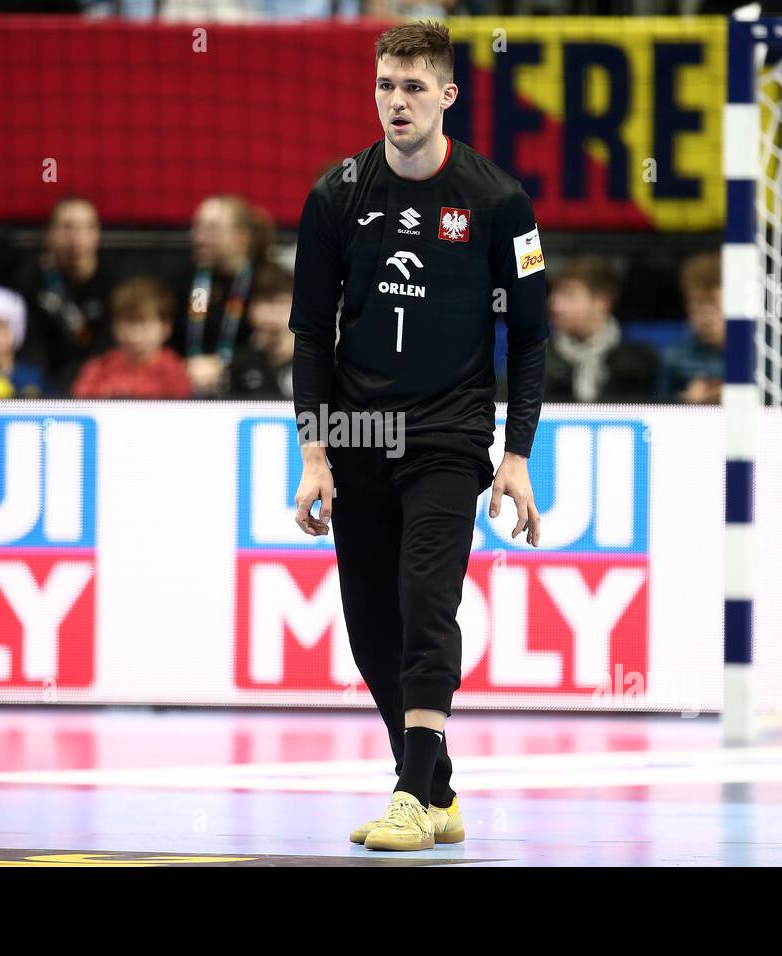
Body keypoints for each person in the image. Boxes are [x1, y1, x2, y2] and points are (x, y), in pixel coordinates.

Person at [289, 20, 548, 852]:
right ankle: (437, 791)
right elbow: (308, 334)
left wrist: (515, 455)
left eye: (411, 87)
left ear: (446, 95)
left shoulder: (499, 200)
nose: (395, 102)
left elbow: (532, 336)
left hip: (449, 430)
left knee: (426, 596)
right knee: (370, 625)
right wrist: (314, 453)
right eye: (384, 86)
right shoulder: (335, 195)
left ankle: (408, 794)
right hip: (358, 430)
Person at [169, 195, 272, 397]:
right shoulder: (185, 281)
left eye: (212, 229)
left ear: (242, 236)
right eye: (197, 227)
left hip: (249, 389)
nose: (199, 238)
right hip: (185, 387)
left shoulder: (265, 282)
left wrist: (225, 365)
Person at [16, 196, 118, 393]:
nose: (75, 237)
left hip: (98, 383)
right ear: (49, 234)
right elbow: (29, 346)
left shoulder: (113, 283)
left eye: (83, 227)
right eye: (66, 227)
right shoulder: (30, 281)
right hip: (43, 381)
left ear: (96, 234)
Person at [543, 256, 658, 403]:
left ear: (602, 302)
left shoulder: (639, 361)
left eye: (569, 295)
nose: (554, 305)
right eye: (554, 294)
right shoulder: (534, 359)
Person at [70, 277, 192, 399]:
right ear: (114, 326)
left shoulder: (178, 373)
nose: (134, 336)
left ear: (166, 327)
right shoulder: (97, 371)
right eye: (127, 324)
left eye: (144, 325)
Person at [657, 252, 724, 404]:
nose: (706, 318)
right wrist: (686, 402)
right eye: (698, 306)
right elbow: (658, 413)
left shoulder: (768, 357)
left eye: (715, 306)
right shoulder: (674, 358)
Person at [229, 264, 296, 400]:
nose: (270, 314)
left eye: (280, 303)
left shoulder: (320, 362)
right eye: (262, 303)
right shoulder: (240, 362)